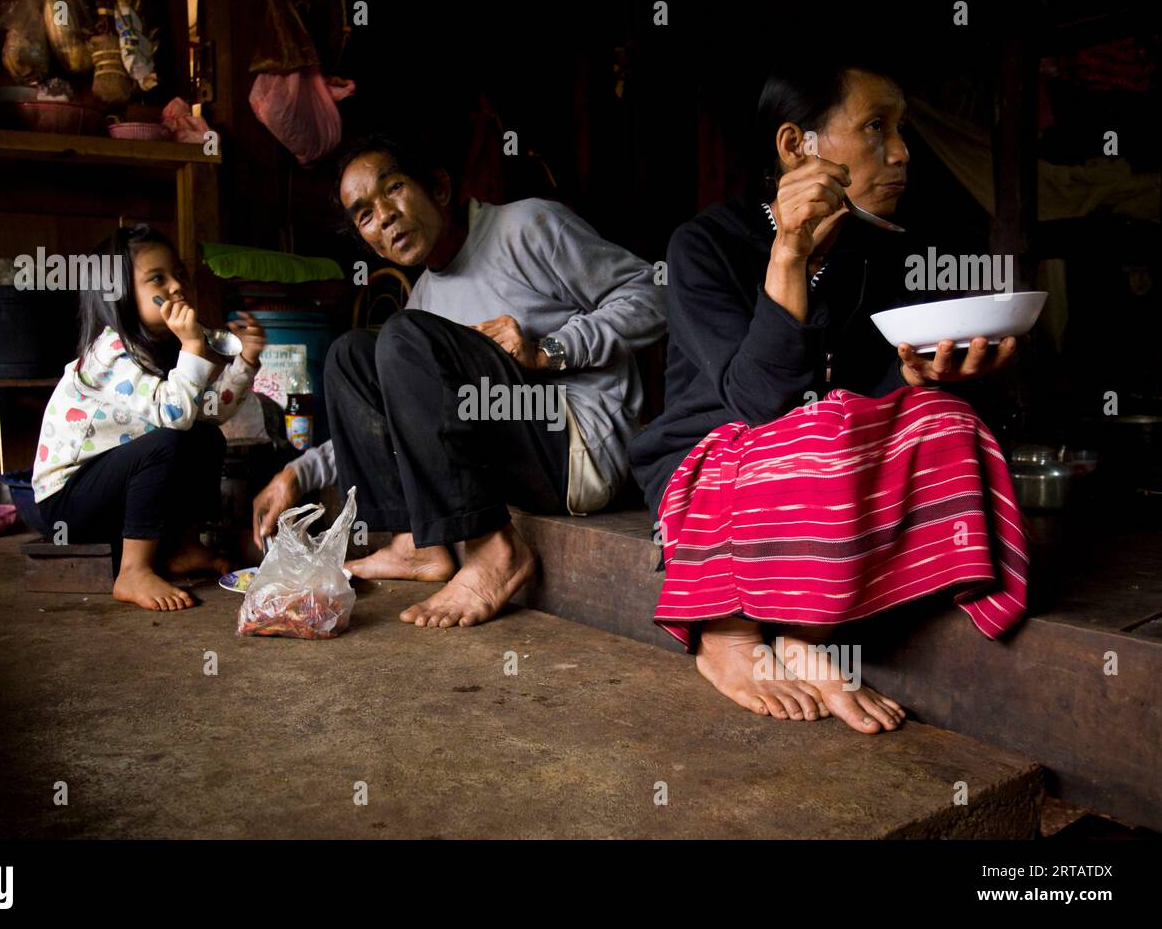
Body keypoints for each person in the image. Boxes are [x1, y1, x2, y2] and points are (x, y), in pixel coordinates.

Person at [628, 59, 1028, 733]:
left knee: (947, 420)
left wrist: (921, 381)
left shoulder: (883, 252)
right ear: (797, 147)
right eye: (876, 128)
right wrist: (787, 254)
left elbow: (867, 400)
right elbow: (758, 403)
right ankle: (724, 631)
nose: (901, 151)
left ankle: (807, 637)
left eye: (899, 130)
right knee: (826, 426)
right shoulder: (705, 245)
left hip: (830, 462)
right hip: (712, 467)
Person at [252, 134, 665, 627]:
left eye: (395, 188)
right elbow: (394, 418)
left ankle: (497, 552)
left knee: (401, 337)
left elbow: (655, 294)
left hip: (576, 443)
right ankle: (412, 543)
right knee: (350, 355)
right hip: (510, 458)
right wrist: (296, 474)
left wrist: (551, 349)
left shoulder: (528, 225)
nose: (383, 216)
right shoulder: (423, 300)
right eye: (364, 215)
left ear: (440, 188)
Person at [32, 225, 266, 610]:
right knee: (169, 439)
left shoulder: (166, 349)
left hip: (116, 498)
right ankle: (133, 571)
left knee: (205, 437)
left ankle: (185, 549)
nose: (177, 286)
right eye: (158, 278)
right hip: (67, 503)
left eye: (179, 273)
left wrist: (245, 361)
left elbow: (208, 413)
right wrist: (193, 346)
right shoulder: (110, 353)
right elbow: (173, 416)